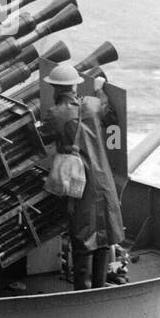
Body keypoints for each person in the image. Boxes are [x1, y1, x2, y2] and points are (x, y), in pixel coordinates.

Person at [41, 63, 124, 290]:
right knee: (104, 234)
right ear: (75, 86)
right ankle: (98, 287)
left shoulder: (56, 113)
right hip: (103, 178)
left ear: (56, 89)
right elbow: (111, 116)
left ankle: (82, 293)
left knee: (82, 235)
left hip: (80, 181)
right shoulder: (93, 104)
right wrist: (99, 89)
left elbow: (40, 138)